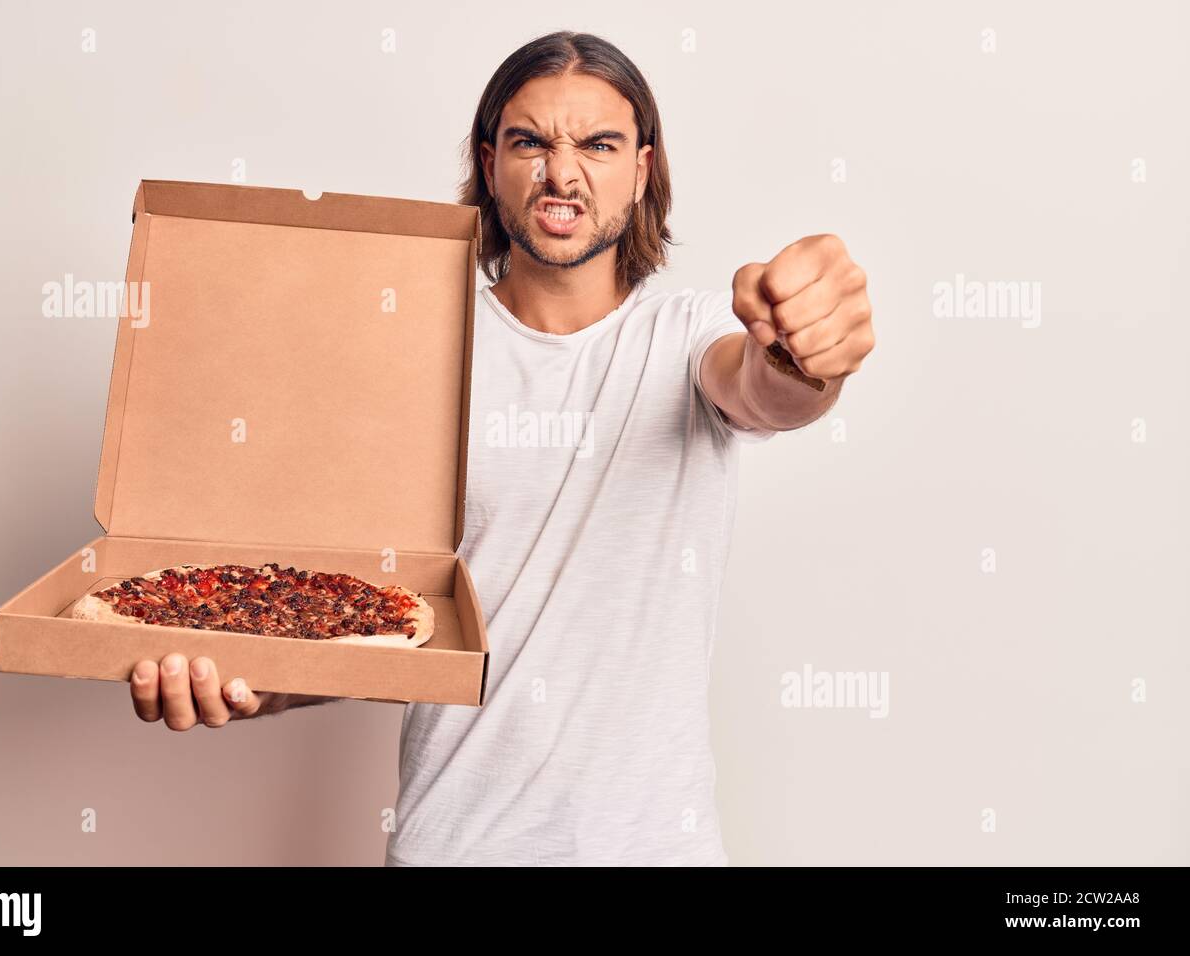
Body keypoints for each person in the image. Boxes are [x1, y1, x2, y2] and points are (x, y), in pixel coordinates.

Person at [127, 31, 875, 866]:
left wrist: (803, 349)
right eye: (530, 142)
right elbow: (380, 619)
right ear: (490, 164)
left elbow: (765, 391)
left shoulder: (688, 338)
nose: (562, 173)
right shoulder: (416, 349)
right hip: (454, 844)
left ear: (642, 168)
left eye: (598, 143)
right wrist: (248, 681)